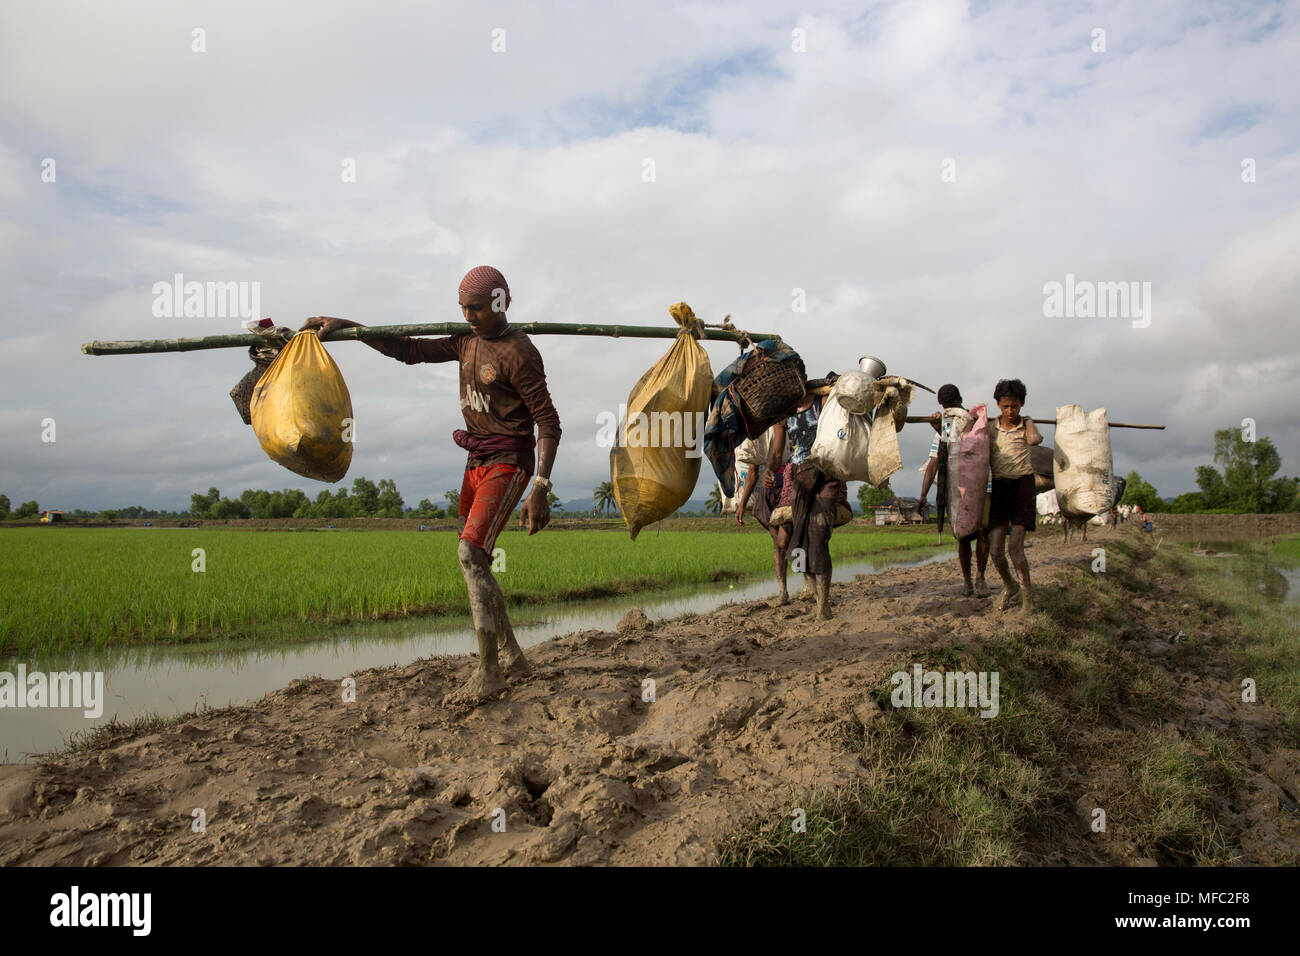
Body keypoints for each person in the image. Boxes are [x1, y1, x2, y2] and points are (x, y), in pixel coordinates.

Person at [300, 265, 561, 704]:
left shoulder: (520, 353)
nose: (468, 315)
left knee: (469, 551)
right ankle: (511, 655)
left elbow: (548, 423)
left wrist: (540, 485)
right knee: (474, 557)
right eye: (462, 307)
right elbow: (408, 350)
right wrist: (349, 326)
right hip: (475, 458)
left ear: (500, 304)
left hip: (508, 460)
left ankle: (489, 671)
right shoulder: (463, 340)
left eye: (475, 307)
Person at [757, 376, 851, 621]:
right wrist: (768, 469)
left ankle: (824, 604)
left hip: (827, 475)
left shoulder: (823, 401)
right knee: (796, 539)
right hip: (799, 477)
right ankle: (811, 588)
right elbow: (777, 452)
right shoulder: (785, 414)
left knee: (819, 536)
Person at [916, 384, 991, 597]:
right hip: (963, 488)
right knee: (967, 535)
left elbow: (935, 461)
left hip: (979, 486)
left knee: (973, 534)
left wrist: (923, 494)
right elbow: (937, 458)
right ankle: (974, 579)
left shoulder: (975, 422)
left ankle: (976, 578)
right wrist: (923, 494)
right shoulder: (949, 425)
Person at [987, 378, 1043, 614]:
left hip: (1022, 486)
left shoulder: (1025, 426)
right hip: (1000, 487)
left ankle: (1028, 600)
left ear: (1021, 405)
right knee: (995, 550)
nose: (1010, 411)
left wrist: (1028, 420)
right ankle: (1010, 586)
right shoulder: (990, 428)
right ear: (998, 405)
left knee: (1015, 548)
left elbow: (1034, 440)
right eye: (1006, 406)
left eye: (1015, 407)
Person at [733, 425, 795, 603]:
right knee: (777, 543)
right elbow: (753, 472)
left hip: (790, 491)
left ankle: (806, 580)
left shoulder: (792, 428)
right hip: (770, 494)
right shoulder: (763, 436)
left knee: (787, 540)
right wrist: (743, 504)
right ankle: (782, 590)